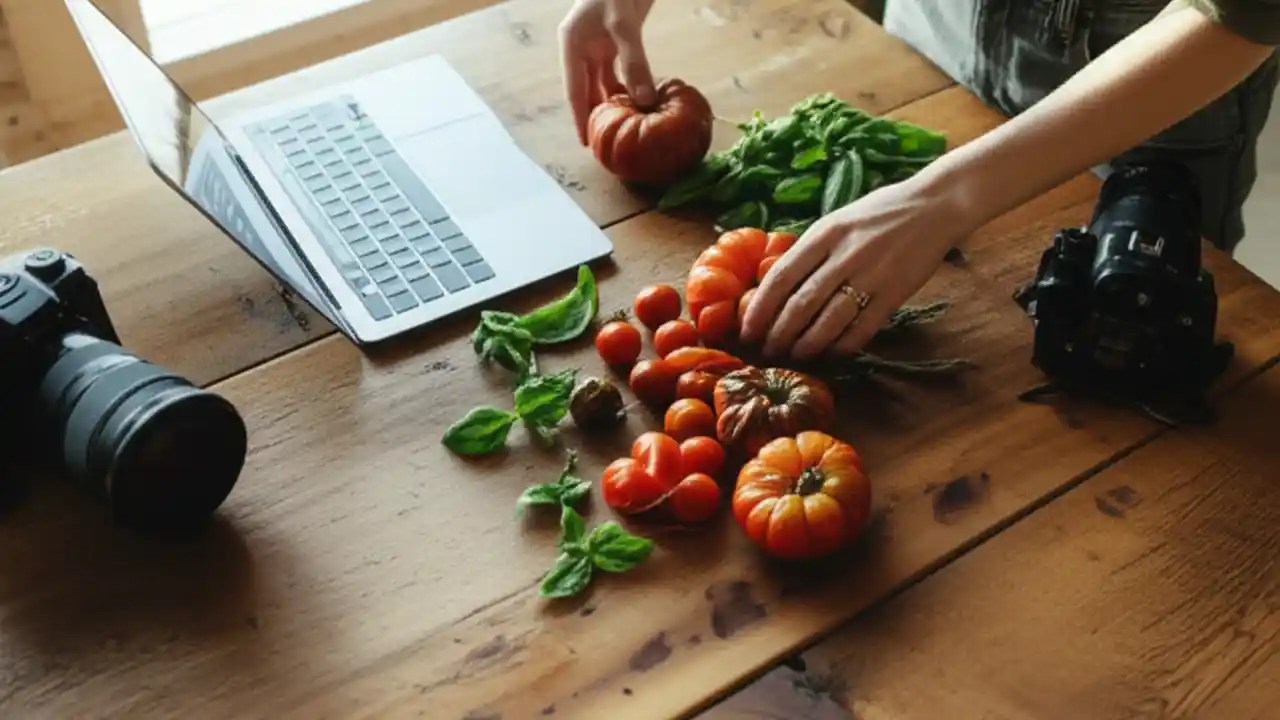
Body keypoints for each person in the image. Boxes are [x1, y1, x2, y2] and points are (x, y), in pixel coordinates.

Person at [558, 0, 1280, 360]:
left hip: (1142, 81)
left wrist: (943, 198)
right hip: (938, 29)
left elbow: (1245, 13)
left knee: (1133, 355)